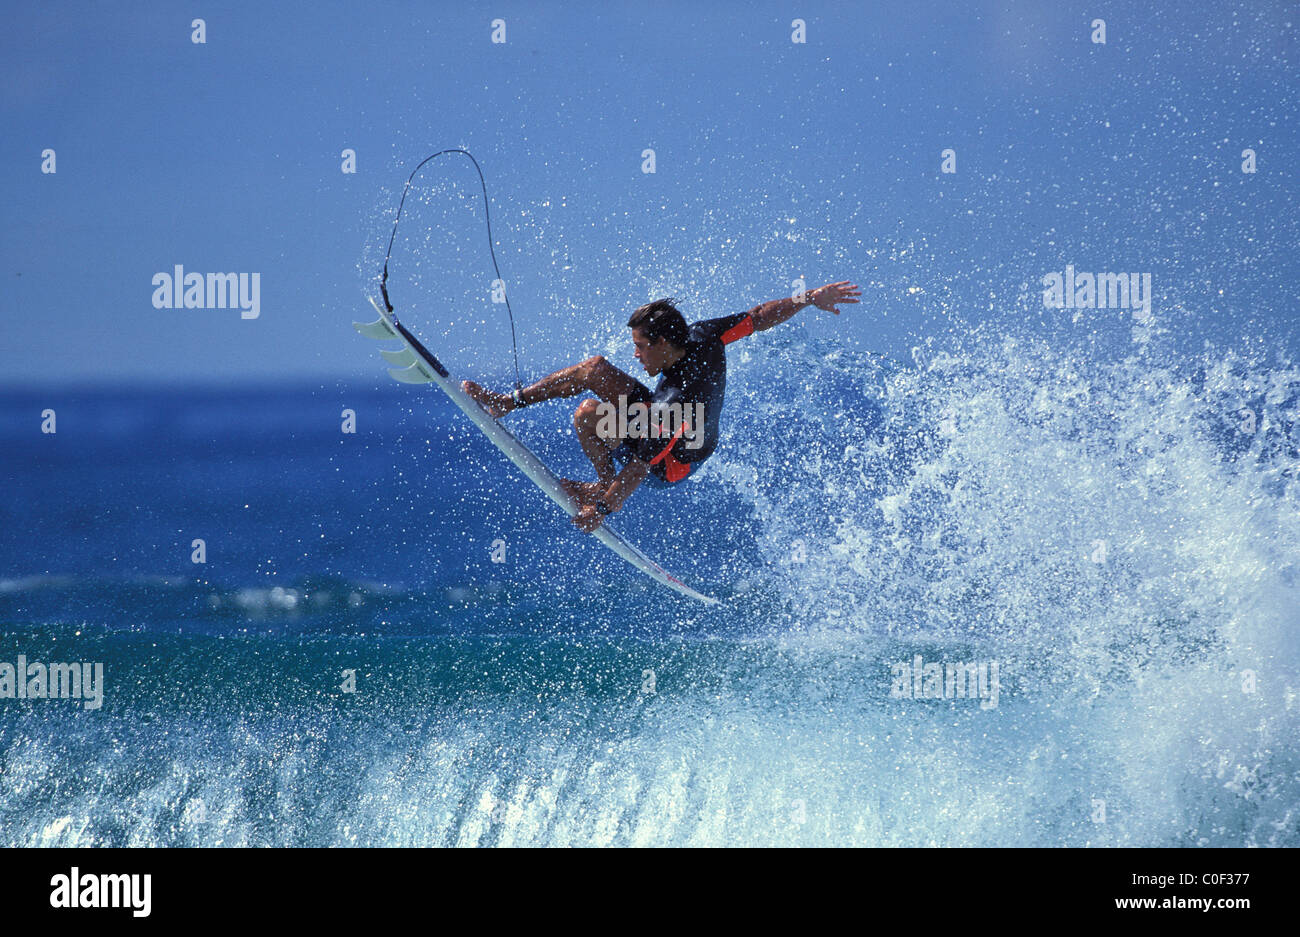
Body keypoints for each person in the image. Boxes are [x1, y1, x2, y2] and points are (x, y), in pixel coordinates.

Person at [463, 281, 860, 532]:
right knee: (594, 369)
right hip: (656, 421)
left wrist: (601, 509)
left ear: (663, 344)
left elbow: (639, 468)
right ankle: (505, 403)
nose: (634, 354)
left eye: (640, 346)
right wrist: (808, 298)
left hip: (674, 464)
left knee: (587, 415)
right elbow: (758, 317)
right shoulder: (703, 335)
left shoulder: (676, 405)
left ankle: (600, 488)